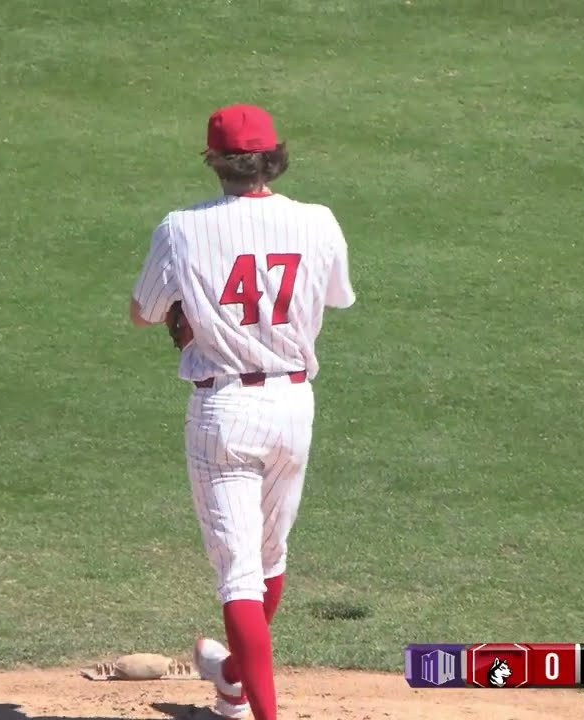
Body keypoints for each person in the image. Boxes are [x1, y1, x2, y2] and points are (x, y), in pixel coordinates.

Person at [128, 104, 356, 720]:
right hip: (293, 406)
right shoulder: (318, 221)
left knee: (239, 576)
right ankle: (232, 680)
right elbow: (336, 296)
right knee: (269, 558)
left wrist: (194, 316)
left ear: (215, 162)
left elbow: (144, 312)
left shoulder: (181, 228)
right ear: (273, 158)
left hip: (224, 411)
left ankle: (252, 707)